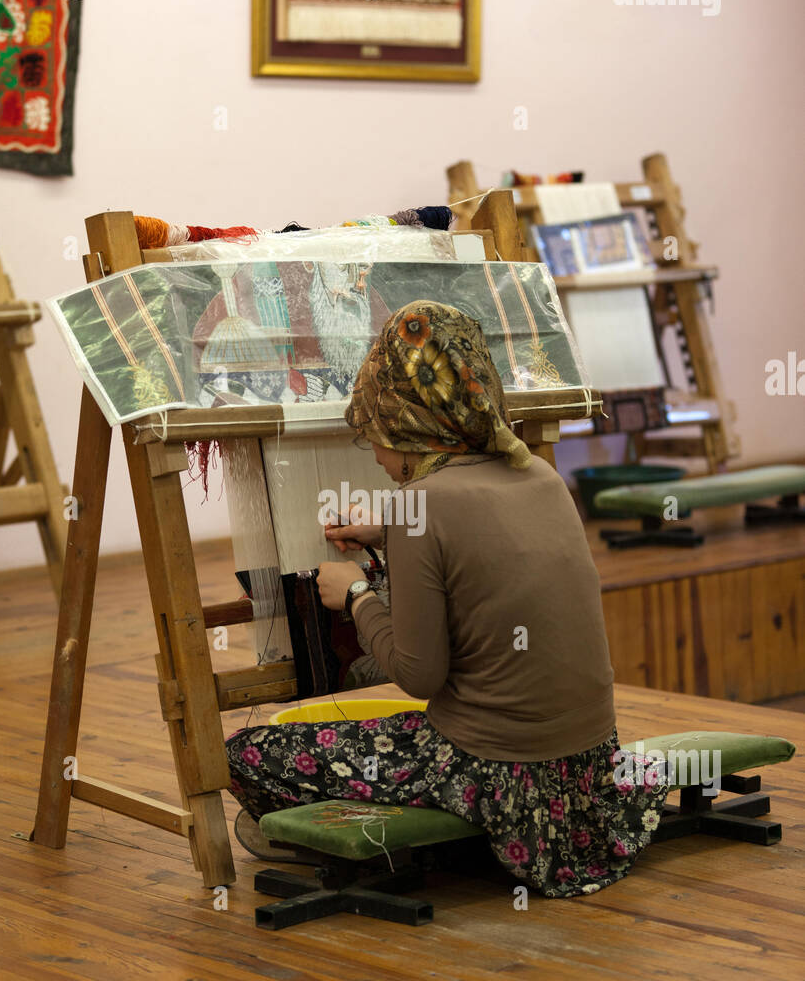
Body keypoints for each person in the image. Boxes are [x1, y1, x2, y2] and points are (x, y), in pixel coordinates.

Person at [227, 300, 668, 897]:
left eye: (374, 437)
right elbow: (484, 546)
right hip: (588, 762)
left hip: (494, 770)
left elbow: (418, 674)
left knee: (246, 755)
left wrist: (355, 594)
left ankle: (443, 837)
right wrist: (390, 530)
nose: (379, 460)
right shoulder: (540, 475)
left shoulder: (423, 510)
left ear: (406, 422)